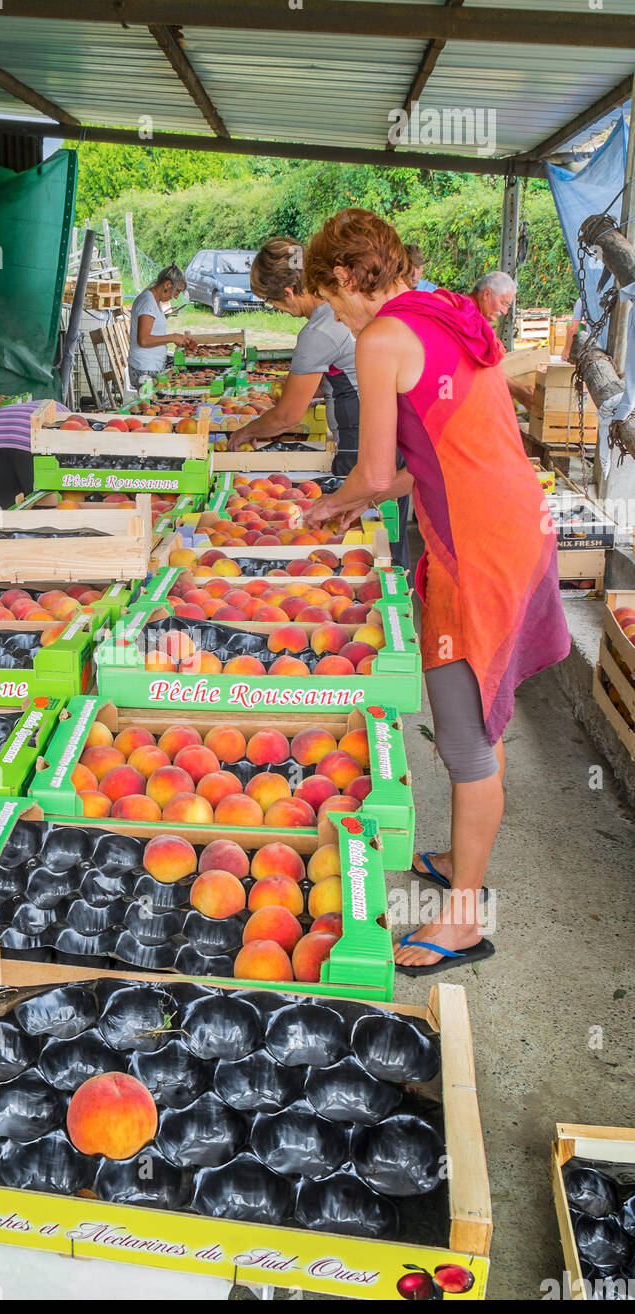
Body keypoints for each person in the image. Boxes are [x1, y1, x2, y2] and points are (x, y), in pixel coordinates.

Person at [301, 208, 569, 975]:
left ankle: (461, 920)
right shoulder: (446, 310)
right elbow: (444, 450)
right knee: (479, 716)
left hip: (477, 552)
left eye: (333, 296)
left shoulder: (381, 336)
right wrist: (359, 496)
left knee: (460, 735)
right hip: (512, 525)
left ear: (351, 278)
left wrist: (331, 502)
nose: (337, 312)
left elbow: (379, 473)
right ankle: (461, 856)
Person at [231, 236, 410, 569]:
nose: (281, 312)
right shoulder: (339, 317)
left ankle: (389, 582)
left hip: (362, 439)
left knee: (364, 542)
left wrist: (245, 433)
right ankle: (395, 581)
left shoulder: (322, 328)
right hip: (384, 436)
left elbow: (288, 416)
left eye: (275, 304)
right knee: (384, 532)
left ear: (287, 293)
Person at [0, 399, 67, 507]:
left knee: (12, 508)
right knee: (43, 508)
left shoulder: (49, 407)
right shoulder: (66, 417)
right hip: (26, 439)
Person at [470, 271, 533, 408]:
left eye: (508, 306)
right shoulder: (467, 316)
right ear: (486, 294)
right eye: (503, 303)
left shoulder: (474, 316)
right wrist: (517, 390)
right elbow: (476, 366)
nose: (504, 311)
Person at [127, 266, 187, 388]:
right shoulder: (148, 302)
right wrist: (172, 337)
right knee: (149, 405)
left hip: (150, 367)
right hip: (144, 368)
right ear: (167, 284)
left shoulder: (155, 301)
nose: (176, 296)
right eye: (177, 291)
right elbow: (143, 340)